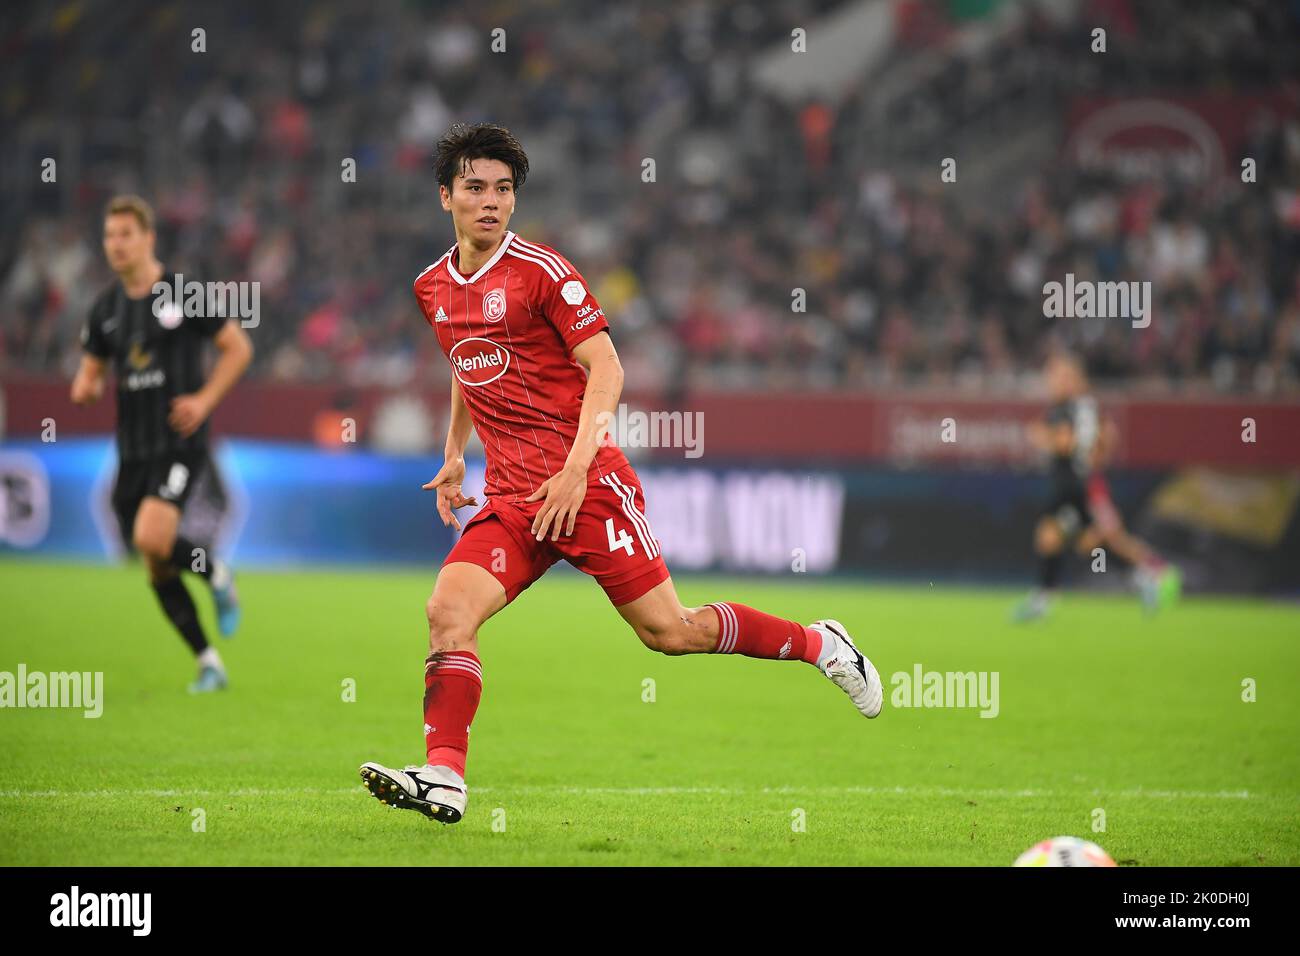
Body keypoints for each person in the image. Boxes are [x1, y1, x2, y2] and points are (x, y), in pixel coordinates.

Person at [360, 123, 883, 823]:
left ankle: (820, 643)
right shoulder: (432, 286)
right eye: (476, 188)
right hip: (515, 499)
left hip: (590, 485)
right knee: (447, 613)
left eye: (504, 190)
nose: (491, 202)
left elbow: (607, 366)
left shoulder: (544, 273)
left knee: (670, 633)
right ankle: (444, 777)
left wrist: (577, 471)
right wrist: (455, 453)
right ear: (445, 197)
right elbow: (465, 363)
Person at [71, 195, 253, 691]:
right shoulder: (104, 310)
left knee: (152, 538)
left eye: (126, 234)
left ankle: (215, 571)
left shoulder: (183, 292)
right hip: (132, 449)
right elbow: (88, 375)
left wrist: (204, 400)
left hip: (180, 440)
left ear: (148, 238)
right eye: (110, 236)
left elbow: (237, 347)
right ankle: (208, 660)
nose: (117, 245)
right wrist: (84, 388)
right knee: (152, 561)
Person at [1013, 353, 1181, 622]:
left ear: (1072, 378)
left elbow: (1065, 444)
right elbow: (1109, 436)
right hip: (1078, 485)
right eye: (1050, 376)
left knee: (1089, 539)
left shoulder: (1069, 408)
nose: (1051, 382)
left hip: (1078, 488)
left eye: (1056, 376)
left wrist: (1039, 435)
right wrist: (1096, 456)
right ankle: (1147, 575)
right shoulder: (1084, 407)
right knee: (1074, 539)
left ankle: (1154, 573)